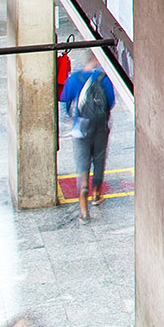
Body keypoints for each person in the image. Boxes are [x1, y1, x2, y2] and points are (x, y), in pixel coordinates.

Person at [60, 58, 116, 221]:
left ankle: (84, 211)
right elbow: (110, 102)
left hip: (81, 127)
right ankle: (96, 194)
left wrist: (72, 117)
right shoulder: (104, 79)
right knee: (99, 159)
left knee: (82, 164)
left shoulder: (74, 78)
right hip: (100, 126)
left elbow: (66, 101)